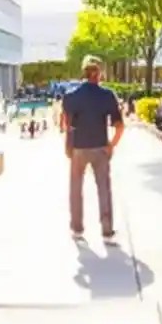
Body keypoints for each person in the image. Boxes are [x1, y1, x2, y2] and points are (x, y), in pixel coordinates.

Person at [60, 55, 124, 241]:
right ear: (99, 74)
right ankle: (106, 230)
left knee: (75, 188)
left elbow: (65, 124)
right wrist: (112, 145)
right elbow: (120, 126)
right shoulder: (107, 95)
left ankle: (77, 228)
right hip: (100, 148)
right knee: (104, 188)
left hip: (78, 148)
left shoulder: (71, 96)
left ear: (84, 72)